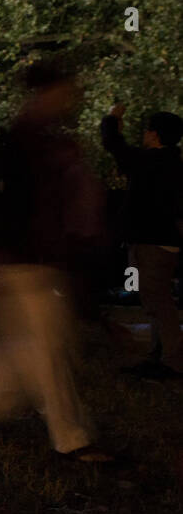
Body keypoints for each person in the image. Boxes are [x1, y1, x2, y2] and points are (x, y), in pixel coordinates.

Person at [0, 60, 113, 462]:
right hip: (29, 259)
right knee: (47, 350)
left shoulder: (27, 138)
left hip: (24, 259)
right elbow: (17, 201)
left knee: (11, 352)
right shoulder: (30, 140)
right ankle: (71, 437)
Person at [100, 104, 183, 378]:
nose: (144, 134)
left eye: (148, 130)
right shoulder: (172, 164)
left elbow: (114, 145)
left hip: (152, 243)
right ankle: (160, 355)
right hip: (163, 242)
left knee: (159, 304)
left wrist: (113, 118)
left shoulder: (151, 163)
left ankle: (172, 361)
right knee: (157, 302)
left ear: (155, 135)